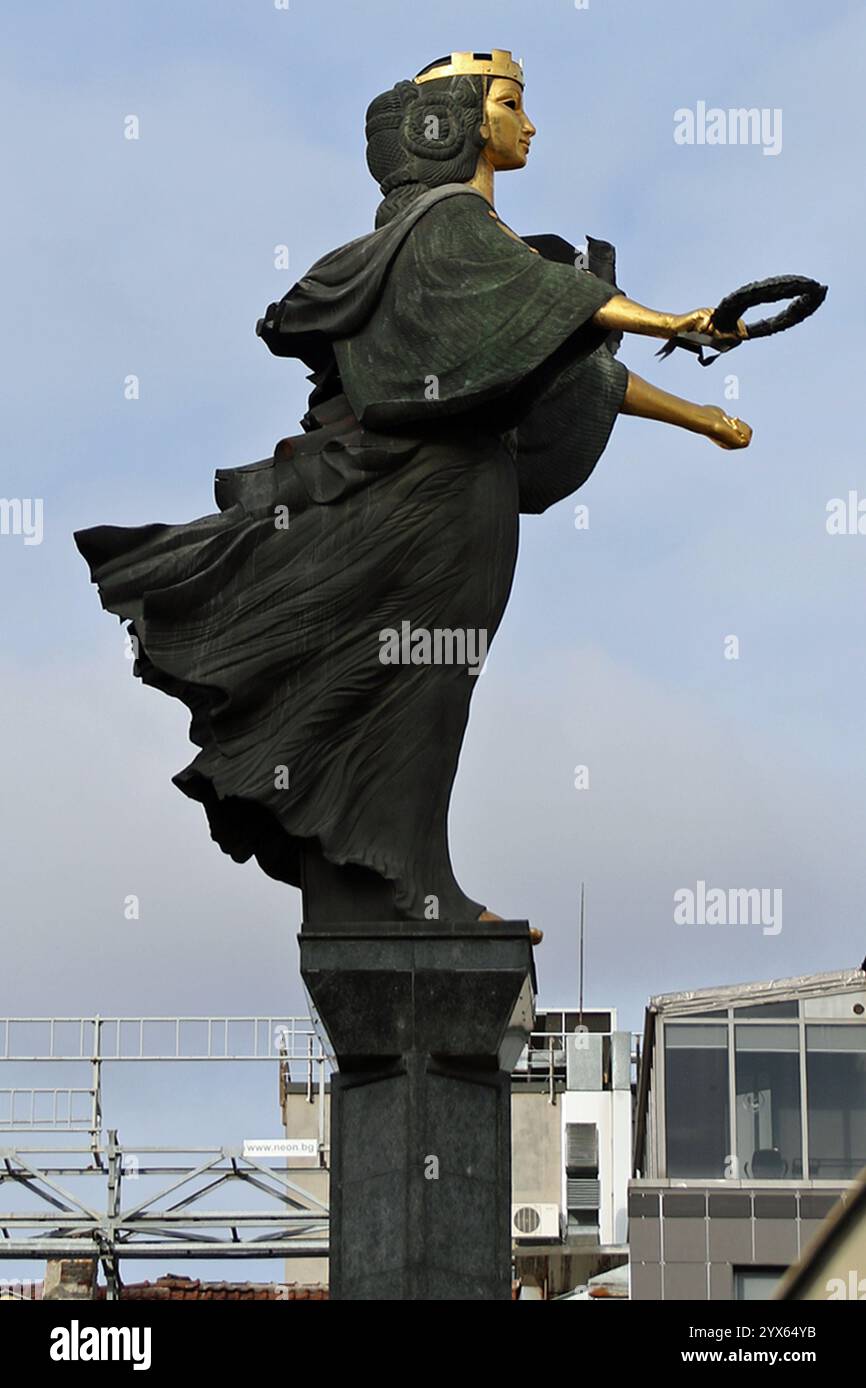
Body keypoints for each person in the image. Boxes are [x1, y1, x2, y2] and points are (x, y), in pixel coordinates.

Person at [75, 50, 750, 944]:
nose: (528, 122)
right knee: (419, 688)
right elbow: (568, 306)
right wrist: (675, 322)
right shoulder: (447, 223)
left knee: (434, 688)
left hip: (469, 500)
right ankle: (405, 878)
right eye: (511, 103)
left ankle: (406, 868)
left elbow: (576, 359)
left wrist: (698, 414)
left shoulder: (486, 247)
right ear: (461, 120)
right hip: (433, 498)